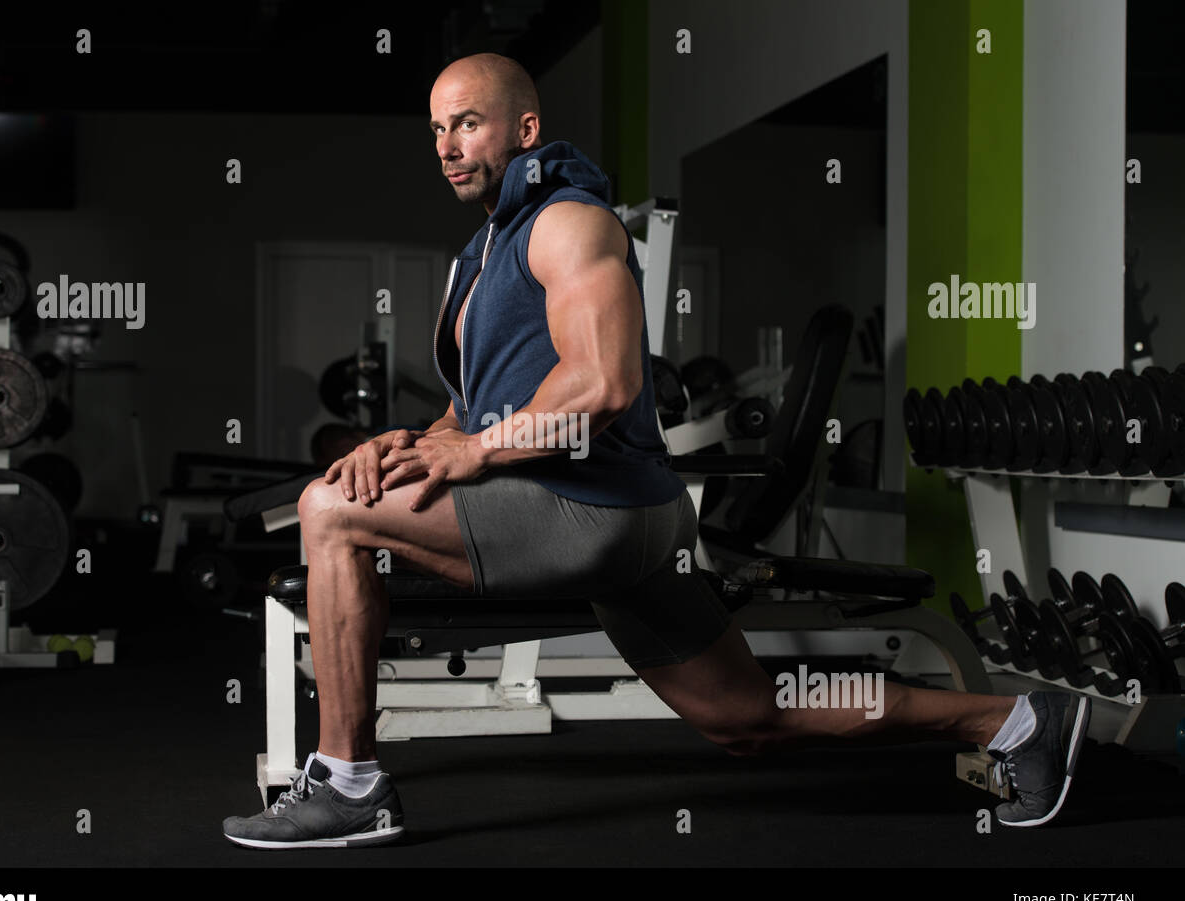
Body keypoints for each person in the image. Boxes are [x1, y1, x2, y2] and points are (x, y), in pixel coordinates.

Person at [224, 53, 1088, 849]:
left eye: (469, 124)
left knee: (329, 515)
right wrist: (410, 442)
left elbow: (604, 387)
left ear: (524, 129)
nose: (449, 147)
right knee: (747, 715)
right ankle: (1014, 722)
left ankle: (350, 781)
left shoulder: (569, 224)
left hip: (593, 510)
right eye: (438, 130)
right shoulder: (476, 258)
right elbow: (469, 412)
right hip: (625, 531)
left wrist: (477, 453)